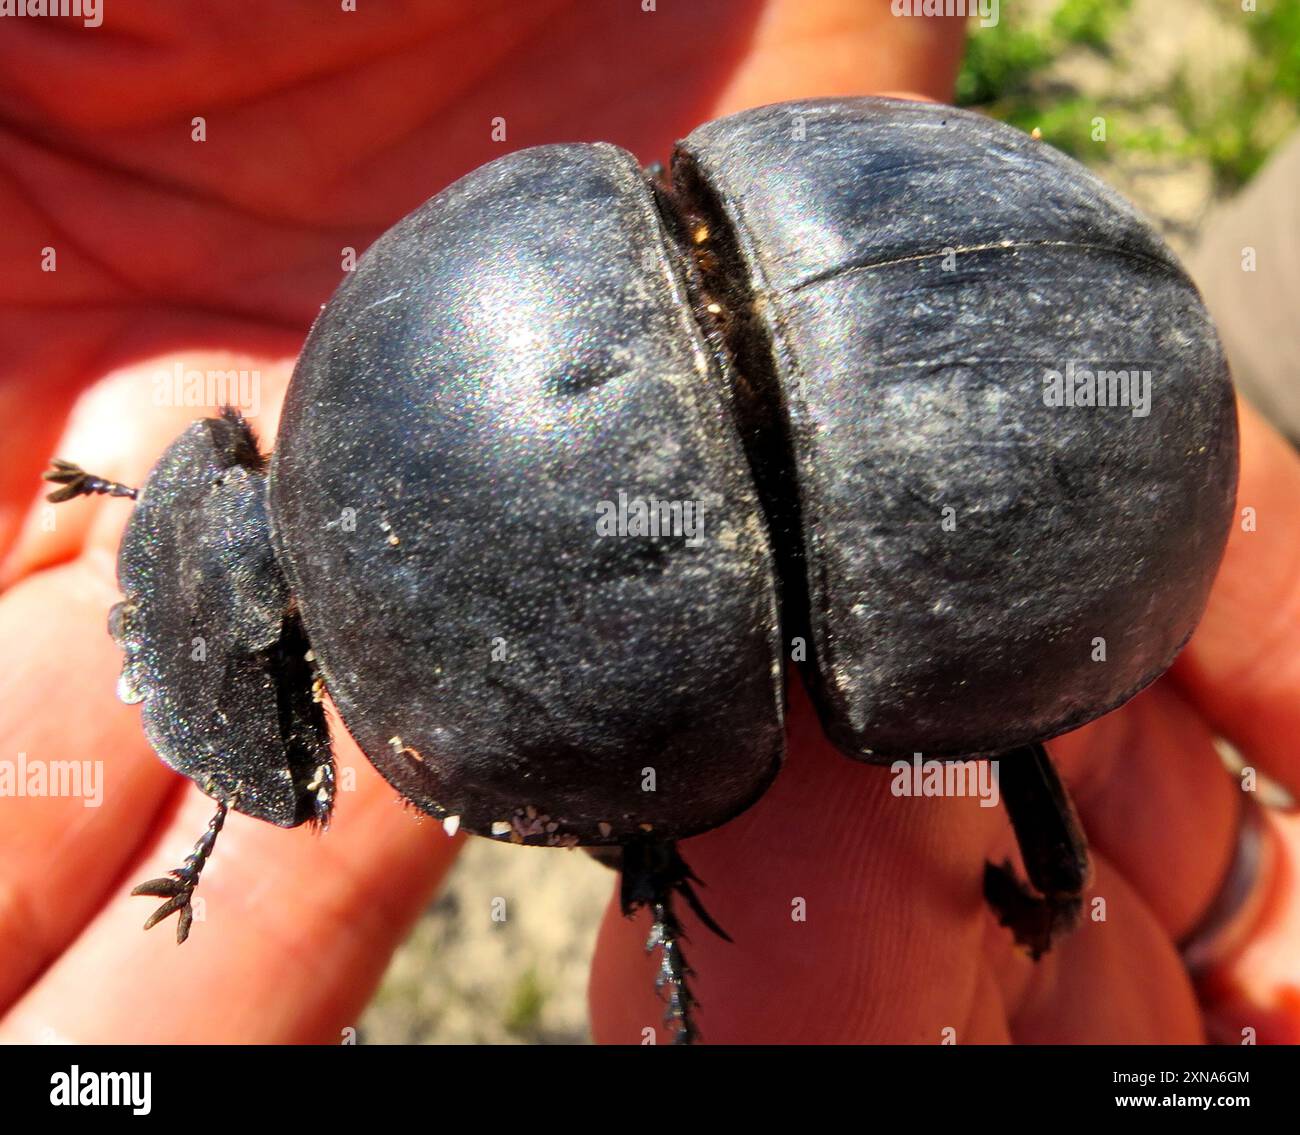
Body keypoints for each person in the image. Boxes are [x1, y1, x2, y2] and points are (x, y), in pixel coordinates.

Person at [0, 1, 1295, 1044]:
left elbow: (651, 759)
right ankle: (1051, 893)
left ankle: (1051, 891)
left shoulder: (577, 698)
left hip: (1060, 452)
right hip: (952, 249)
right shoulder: (393, 332)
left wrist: (642, 847)